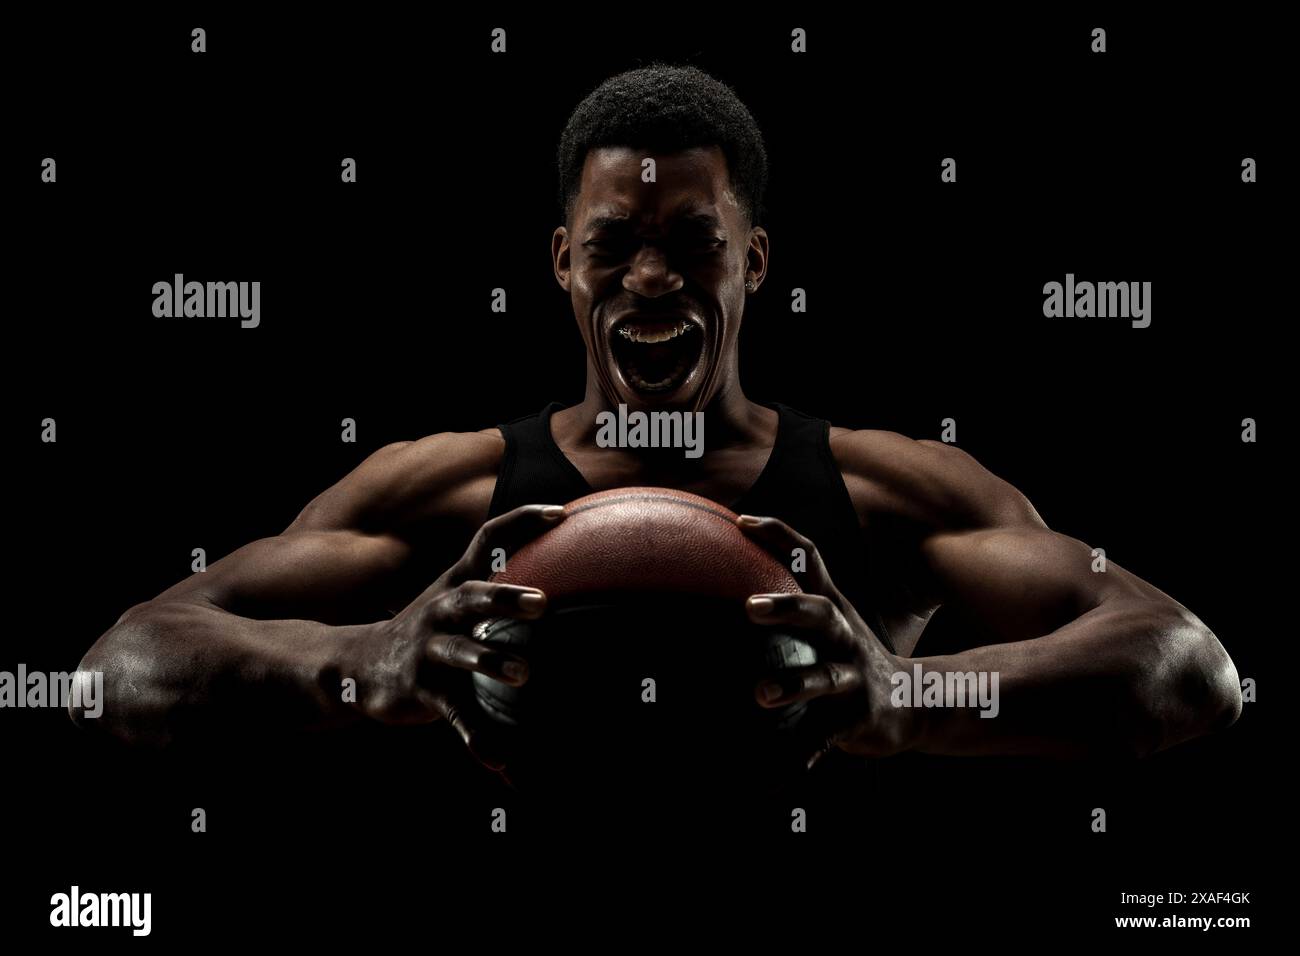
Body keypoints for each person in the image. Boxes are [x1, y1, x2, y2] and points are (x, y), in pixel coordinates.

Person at [72, 64, 1241, 778]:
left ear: (755, 262)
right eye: (611, 247)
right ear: (559, 265)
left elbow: (1187, 665)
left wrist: (903, 695)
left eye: (694, 244)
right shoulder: (439, 492)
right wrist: (364, 658)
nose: (649, 280)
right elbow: (119, 667)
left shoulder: (888, 491)